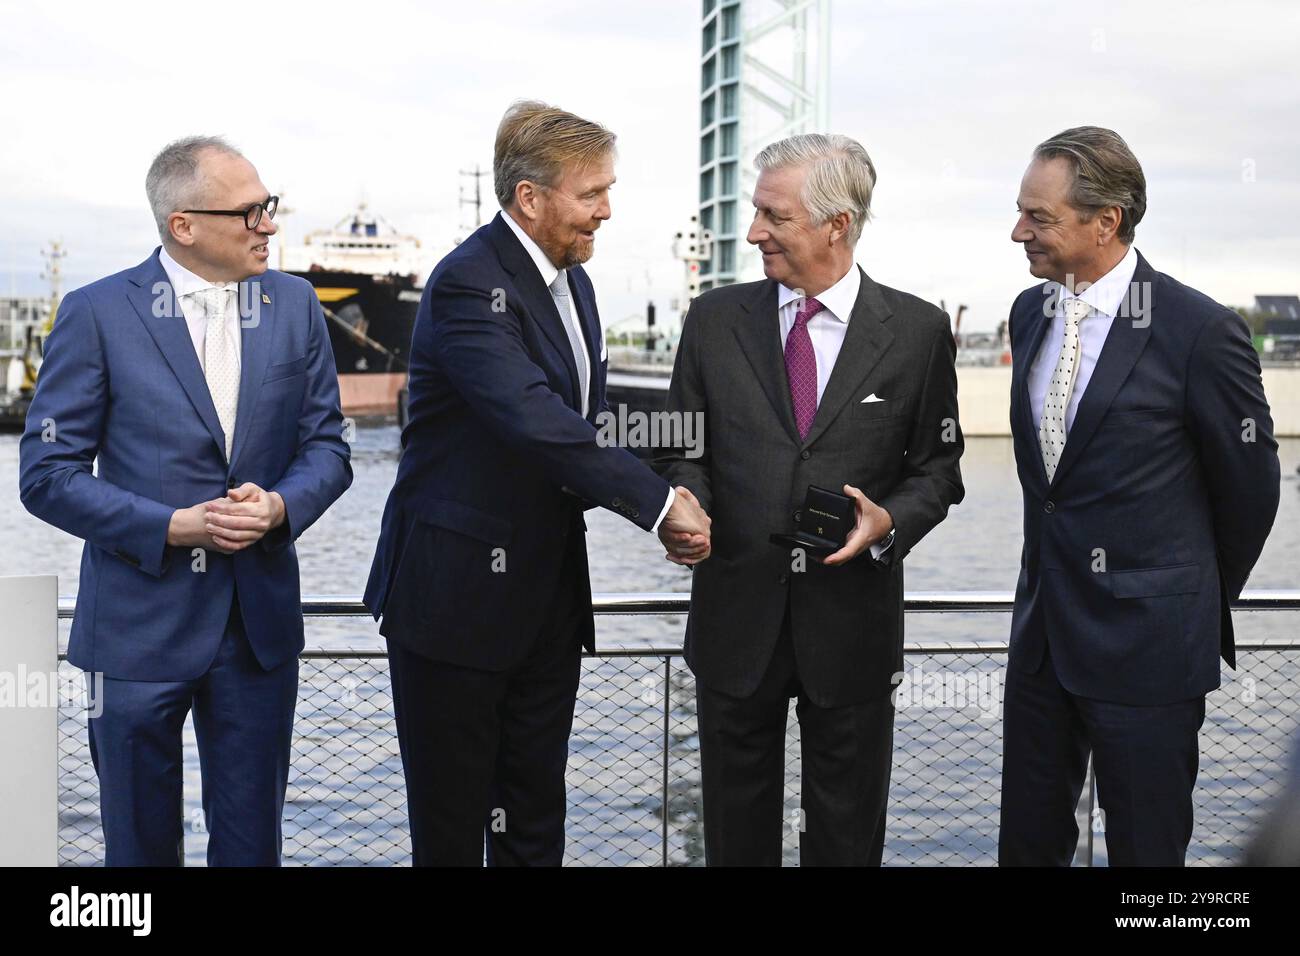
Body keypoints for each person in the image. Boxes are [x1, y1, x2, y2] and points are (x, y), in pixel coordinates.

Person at [363, 101, 710, 866]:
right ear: (531, 197)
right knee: (454, 834)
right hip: (453, 603)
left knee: (533, 824)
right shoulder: (465, 285)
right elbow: (533, 418)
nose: (607, 211)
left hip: (546, 605)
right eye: (593, 194)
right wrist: (657, 507)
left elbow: (592, 419)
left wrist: (694, 472)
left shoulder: (573, 284)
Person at [19, 135, 353, 865]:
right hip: (136, 632)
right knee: (137, 854)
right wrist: (172, 526)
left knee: (251, 851)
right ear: (184, 226)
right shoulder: (97, 313)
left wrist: (281, 507)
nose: (269, 224)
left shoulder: (295, 305)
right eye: (251, 212)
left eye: (270, 206)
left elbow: (328, 448)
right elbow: (46, 473)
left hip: (257, 633)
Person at [654, 133, 965, 865]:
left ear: (837, 225)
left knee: (848, 843)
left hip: (852, 629)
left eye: (773, 215)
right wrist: (685, 507)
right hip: (735, 626)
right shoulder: (712, 320)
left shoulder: (918, 332)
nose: (754, 231)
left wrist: (891, 522)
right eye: (756, 213)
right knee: (734, 842)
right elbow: (678, 446)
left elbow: (939, 467)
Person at [1000, 126, 1280, 866]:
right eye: (1020, 212)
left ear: (1106, 221)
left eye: (1038, 218)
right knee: (1026, 849)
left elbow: (1251, 488)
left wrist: (1181, 598)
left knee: (1146, 861)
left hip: (1151, 654)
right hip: (1041, 647)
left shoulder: (1199, 330)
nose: (1017, 232)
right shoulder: (1030, 314)